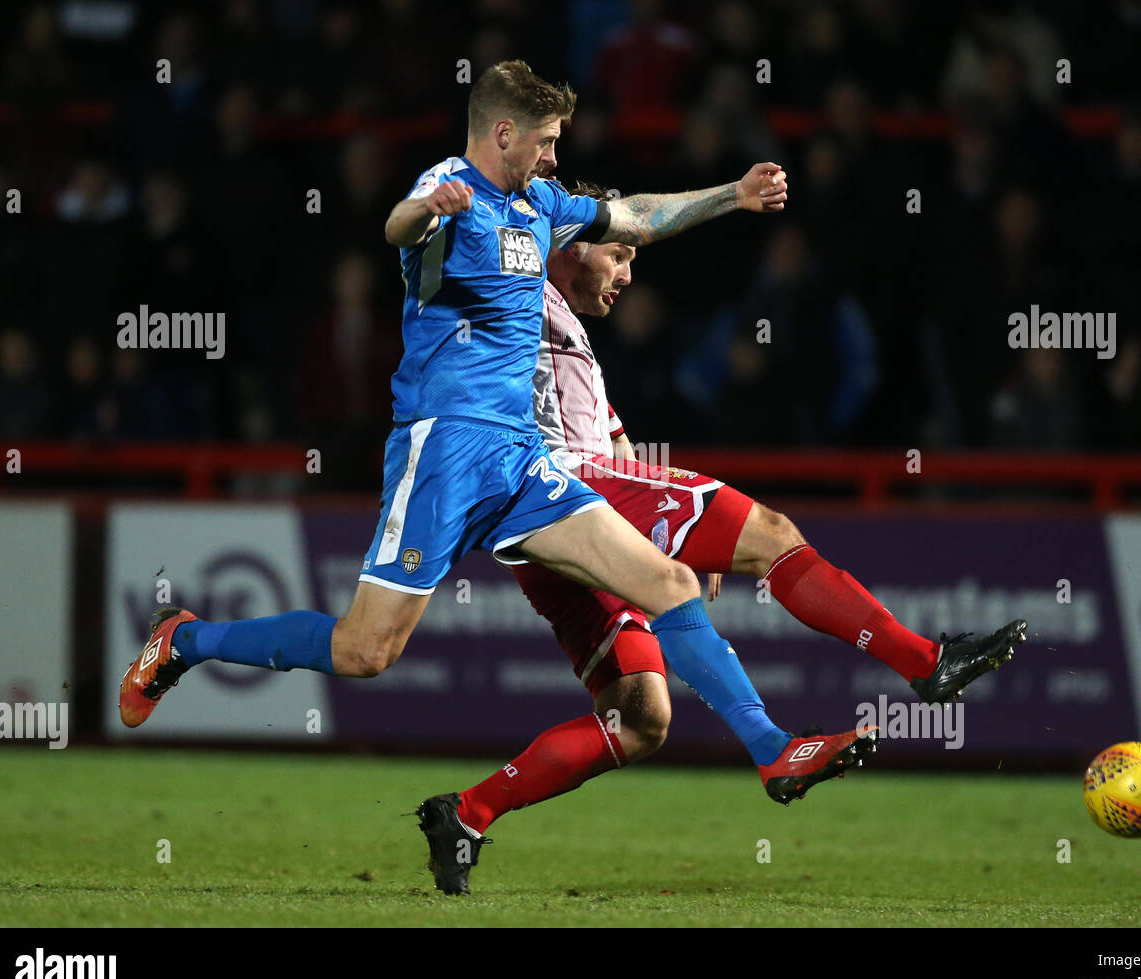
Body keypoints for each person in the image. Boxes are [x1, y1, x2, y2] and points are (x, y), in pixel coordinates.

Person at [117, 61, 875, 883]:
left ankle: (773, 750)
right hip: (441, 452)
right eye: (545, 143)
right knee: (366, 651)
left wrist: (733, 193)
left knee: (671, 584)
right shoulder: (451, 186)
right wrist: (422, 212)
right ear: (503, 133)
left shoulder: (541, 205)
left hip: (517, 459)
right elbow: (397, 229)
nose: (554, 158)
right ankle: (184, 640)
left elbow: (637, 219)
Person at [419, 183, 1027, 893]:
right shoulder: (519, 287)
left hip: (552, 528)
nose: (628, 273)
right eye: (620, 256)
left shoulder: (565, 336)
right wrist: (731, 194)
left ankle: (466, 813)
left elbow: (609, 437)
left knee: (639, 718)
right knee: (771, 535)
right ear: (568, 246)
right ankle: (915, 668)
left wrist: (663, 532)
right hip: (563, 486)